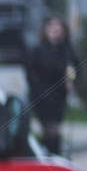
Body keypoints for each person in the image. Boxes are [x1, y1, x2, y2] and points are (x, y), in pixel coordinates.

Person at [25, 15, 79, 155]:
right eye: (52, 26)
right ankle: (48, 154)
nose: (55, 29)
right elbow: (30, 73)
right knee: (49, 128)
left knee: (55, 128)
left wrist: (72, 80)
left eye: (58, 26)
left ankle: (53, 155)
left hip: (59, 96)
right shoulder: (38, 50)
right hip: (42, 95)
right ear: (46, 29)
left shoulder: (67, 50)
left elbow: (76, 68)